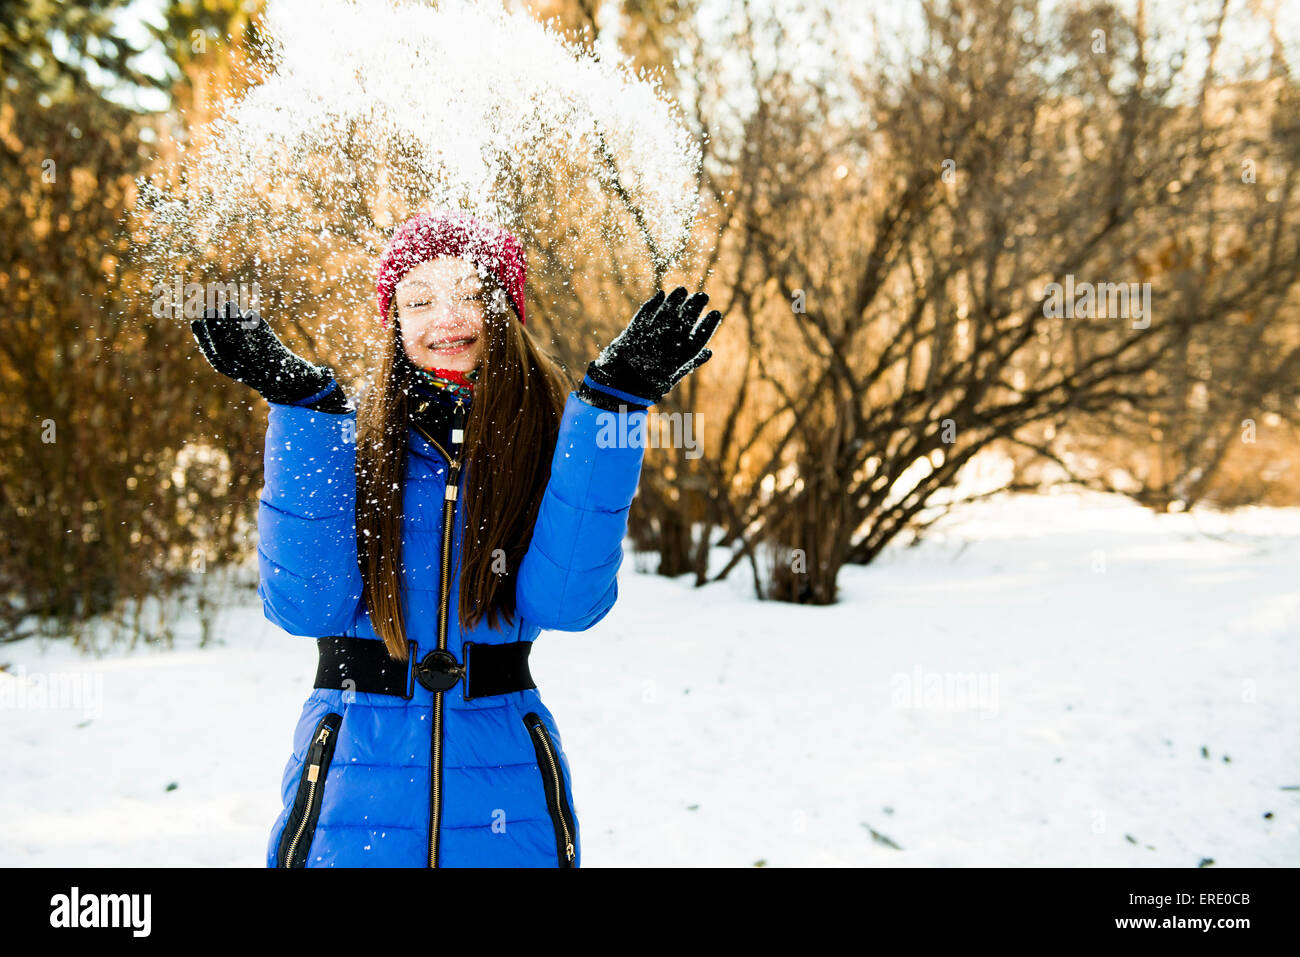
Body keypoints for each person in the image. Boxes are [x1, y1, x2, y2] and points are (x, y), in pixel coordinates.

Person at [190, 209, 722, 867]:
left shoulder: (547, 441)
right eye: (418, 300)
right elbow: (307, 606)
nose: (448, 318)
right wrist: (305, 411)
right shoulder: (349, 443)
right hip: (351, 782)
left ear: (510, 311)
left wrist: (612, 407)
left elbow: (566, 603)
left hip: (505, 783)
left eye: (474, 294)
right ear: (394, 321)